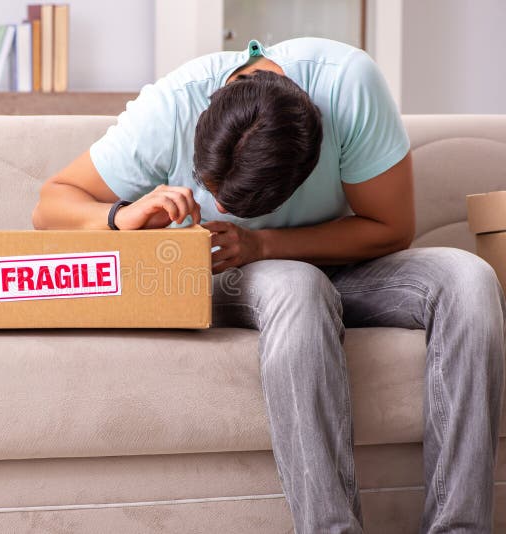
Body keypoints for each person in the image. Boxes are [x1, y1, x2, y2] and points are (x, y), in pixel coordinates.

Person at [32, 37, 505, 533]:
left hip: (332, 262)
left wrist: (263, 243)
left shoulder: (348, 86)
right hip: (231, 273)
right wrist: (121, 215)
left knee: (469, 279)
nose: (222, 207)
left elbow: (390, 229)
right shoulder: (170, 109)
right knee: (299, 287)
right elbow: (51, 203)